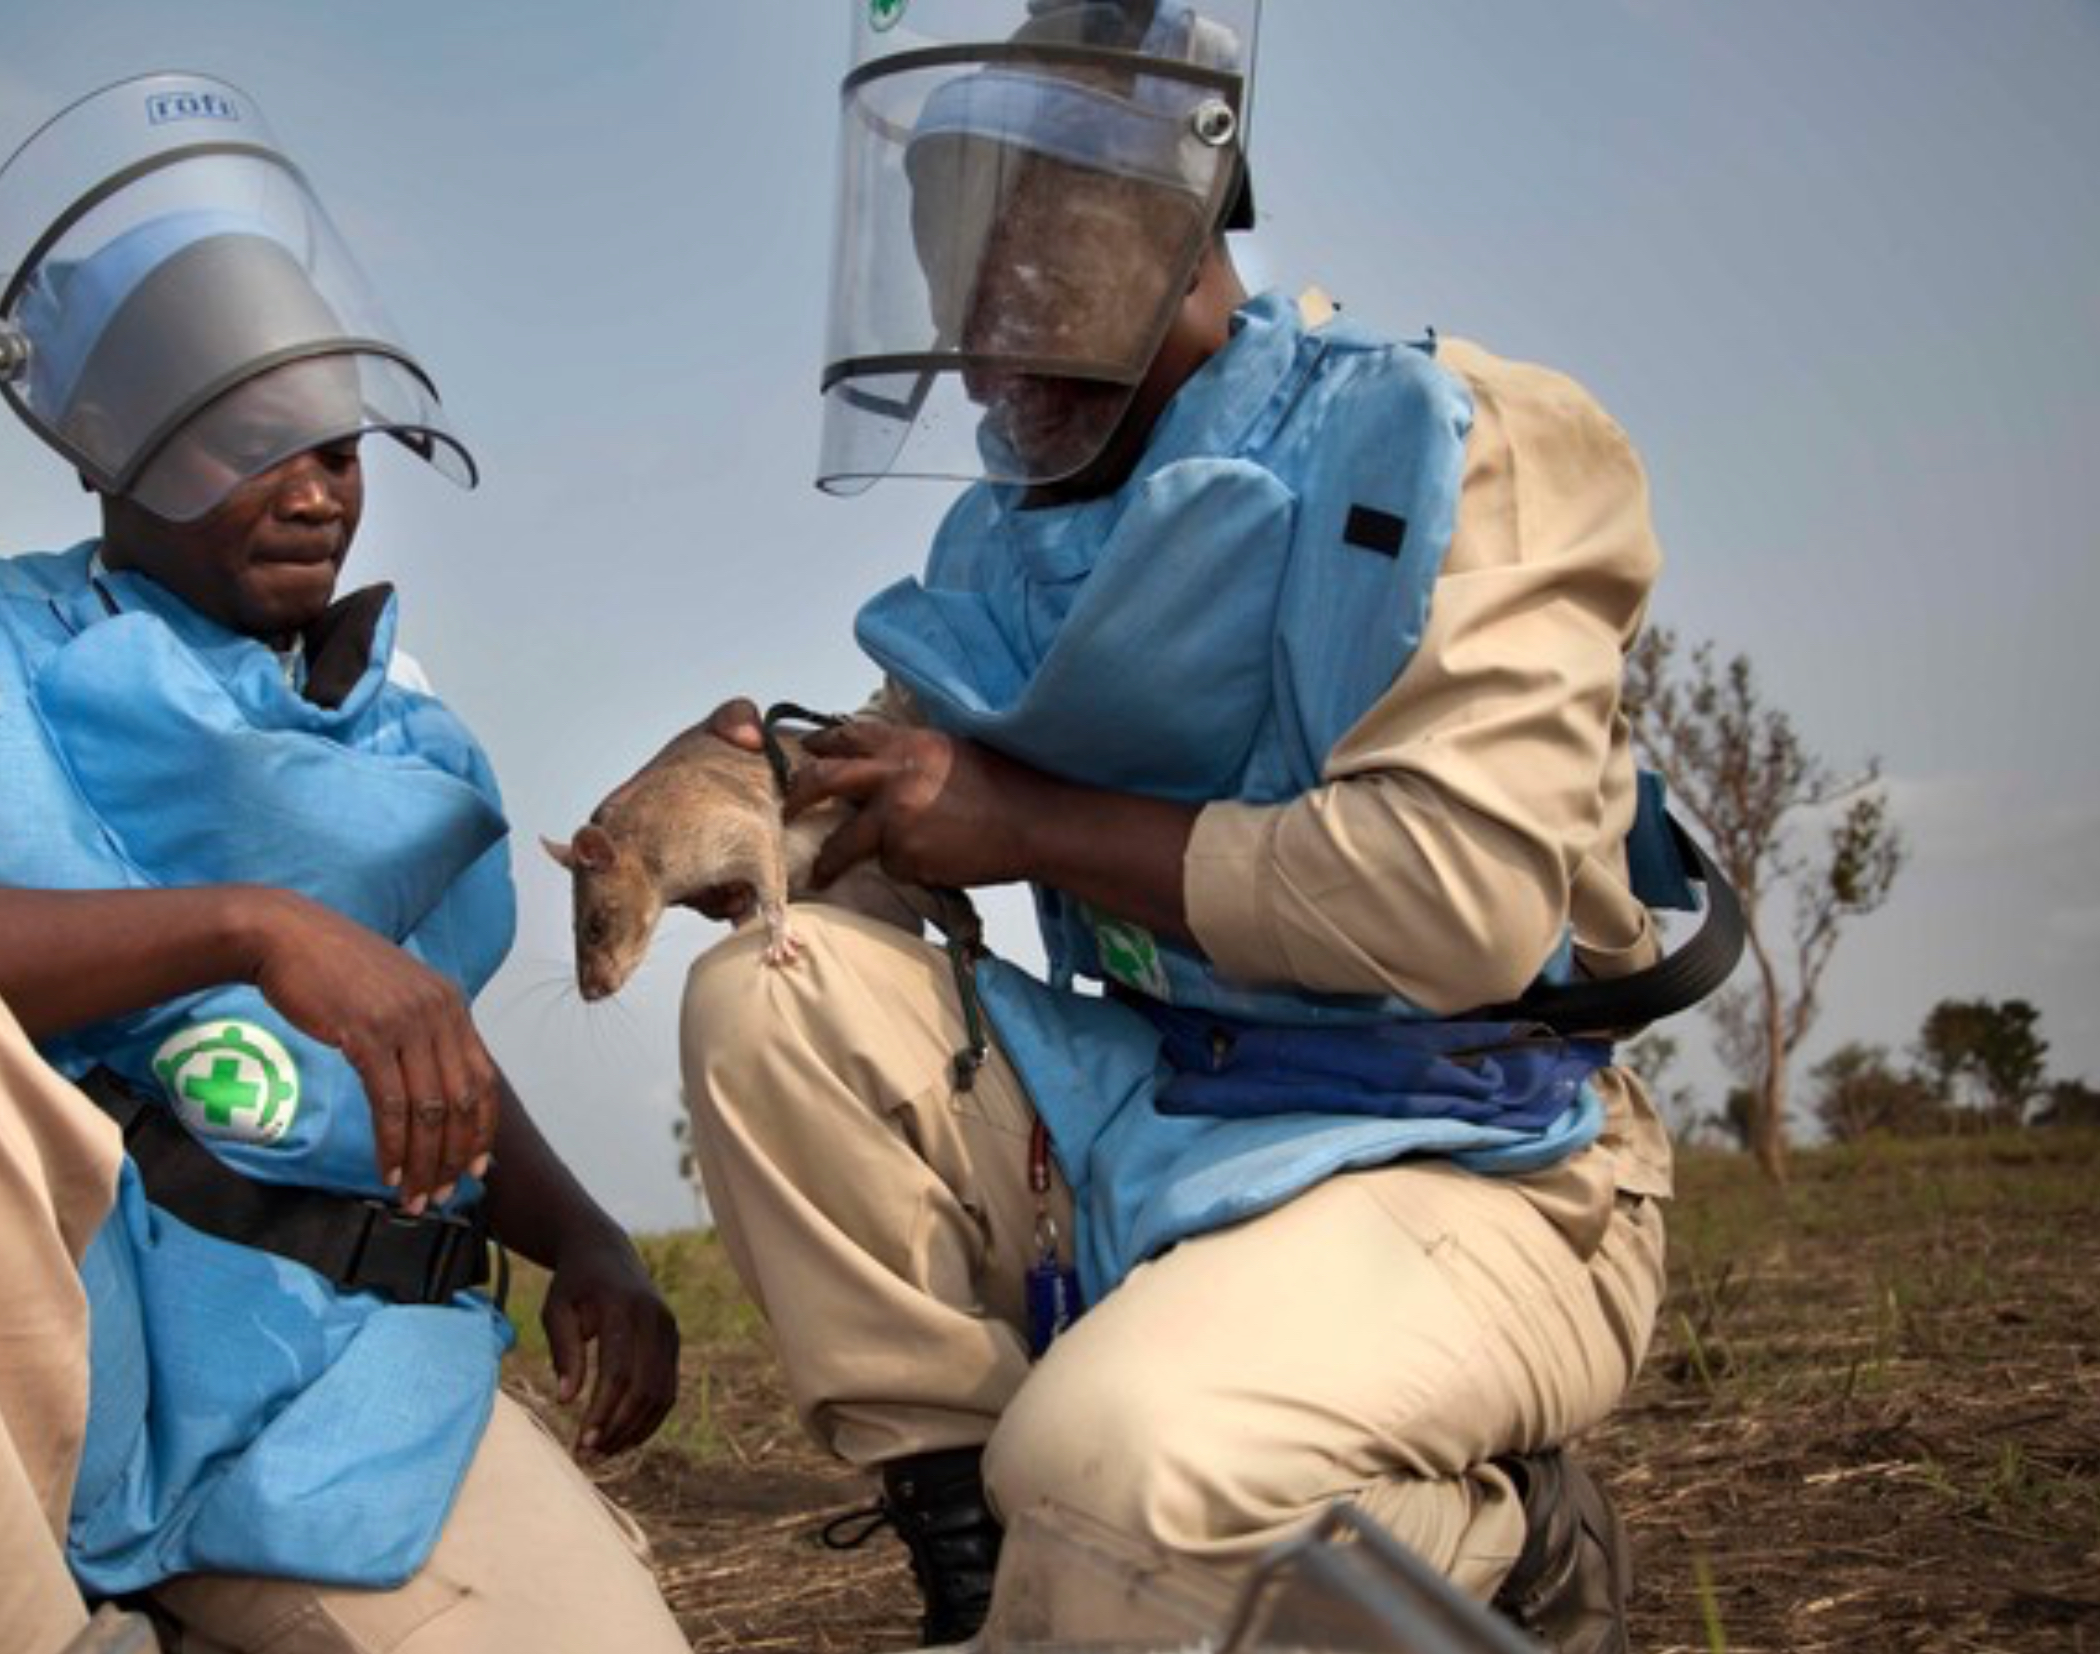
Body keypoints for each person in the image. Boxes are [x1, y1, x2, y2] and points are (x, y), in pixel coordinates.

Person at [674, 5, 1702, 1650]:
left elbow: (1455, 906)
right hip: (1158, 1119)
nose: (982, 318)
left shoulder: (1462, 442)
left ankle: (1496, 1534)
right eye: (950, 246)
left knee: (1116, 1465)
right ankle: (975, 1578)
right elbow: (900, 799)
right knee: (773, 994)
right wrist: (732, 806)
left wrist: (1030, 823)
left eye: (1034, 235)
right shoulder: (1006, 537)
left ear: (1175, 218)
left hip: (1481, 1158)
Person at [0, 73, 689, 1654]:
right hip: (43, 1324)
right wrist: (244, 924)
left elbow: (414, 1035)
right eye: (242, 435)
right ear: (106, 448)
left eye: (337, 442)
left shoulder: (386, 719)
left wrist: (593, 1240)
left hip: (334, 1355)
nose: (311, 483)